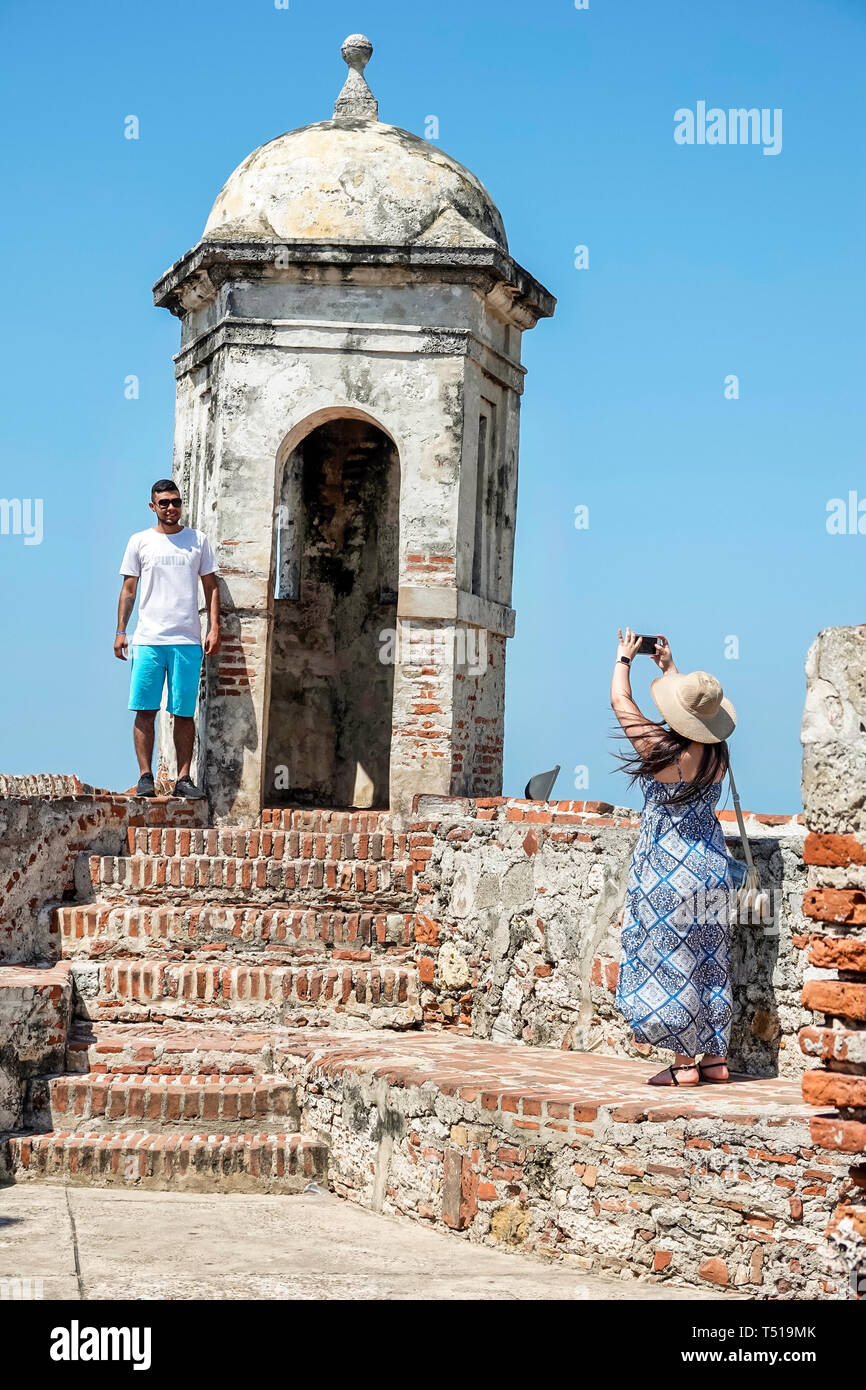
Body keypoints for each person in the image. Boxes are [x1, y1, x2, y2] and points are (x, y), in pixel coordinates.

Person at [610, 628, 737, 1086]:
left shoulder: (663, 754)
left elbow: (621, 704)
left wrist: (624, 659)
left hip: (669, 871)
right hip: (712, 866)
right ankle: (714, 1059)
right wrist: (672, 673)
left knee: (673, 962)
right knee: (709, 959)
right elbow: (695, 723)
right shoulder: (718, 755)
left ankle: (683, 1064)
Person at [114, 480, 221, 798]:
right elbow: (129, 590)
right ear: (153, 507)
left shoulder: (197, 541)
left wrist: (214, 628)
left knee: (183, 712)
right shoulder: (139, 542)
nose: (171, 508)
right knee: (145, 709)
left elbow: (211, 586)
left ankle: (184, 779)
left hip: (187, 639)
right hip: (148, 639)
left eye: (175, 502)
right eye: (164, 503)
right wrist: (121, 631)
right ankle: (145, 776)